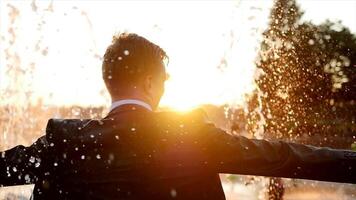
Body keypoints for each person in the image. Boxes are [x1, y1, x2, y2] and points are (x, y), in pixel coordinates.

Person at [0, 33, 355, 200]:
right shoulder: (189, 136)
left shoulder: (66, 141)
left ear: (110, 81)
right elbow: (281, 157)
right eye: (165, 80)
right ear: (151, 81)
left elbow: (6, 167)